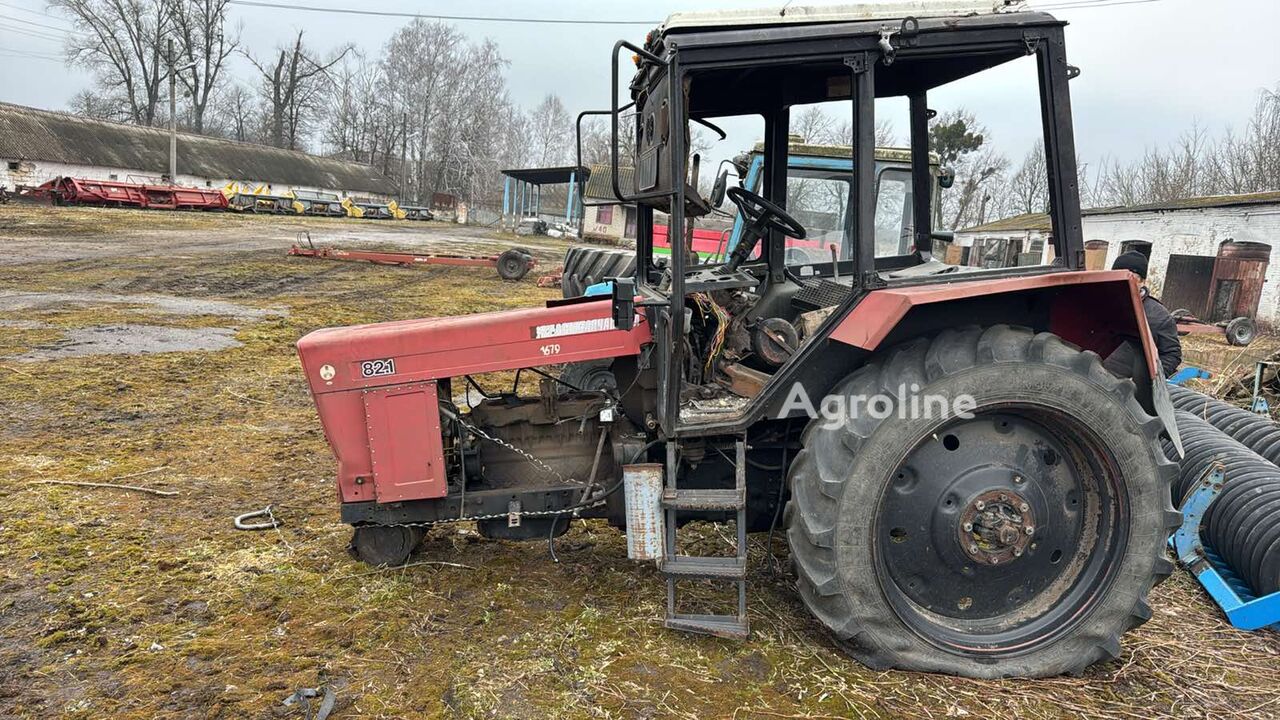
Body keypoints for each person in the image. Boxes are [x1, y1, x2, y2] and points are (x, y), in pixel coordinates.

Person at [1103, 251, 1182, 378]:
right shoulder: (1098, 303)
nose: (1123, 282)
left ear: (1142, 281)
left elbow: (1171, 355)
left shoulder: (1158, 317)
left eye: (1131, 278)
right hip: (1086, 379)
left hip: (1123, 389)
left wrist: (1144, 382)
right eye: (1117, 277)